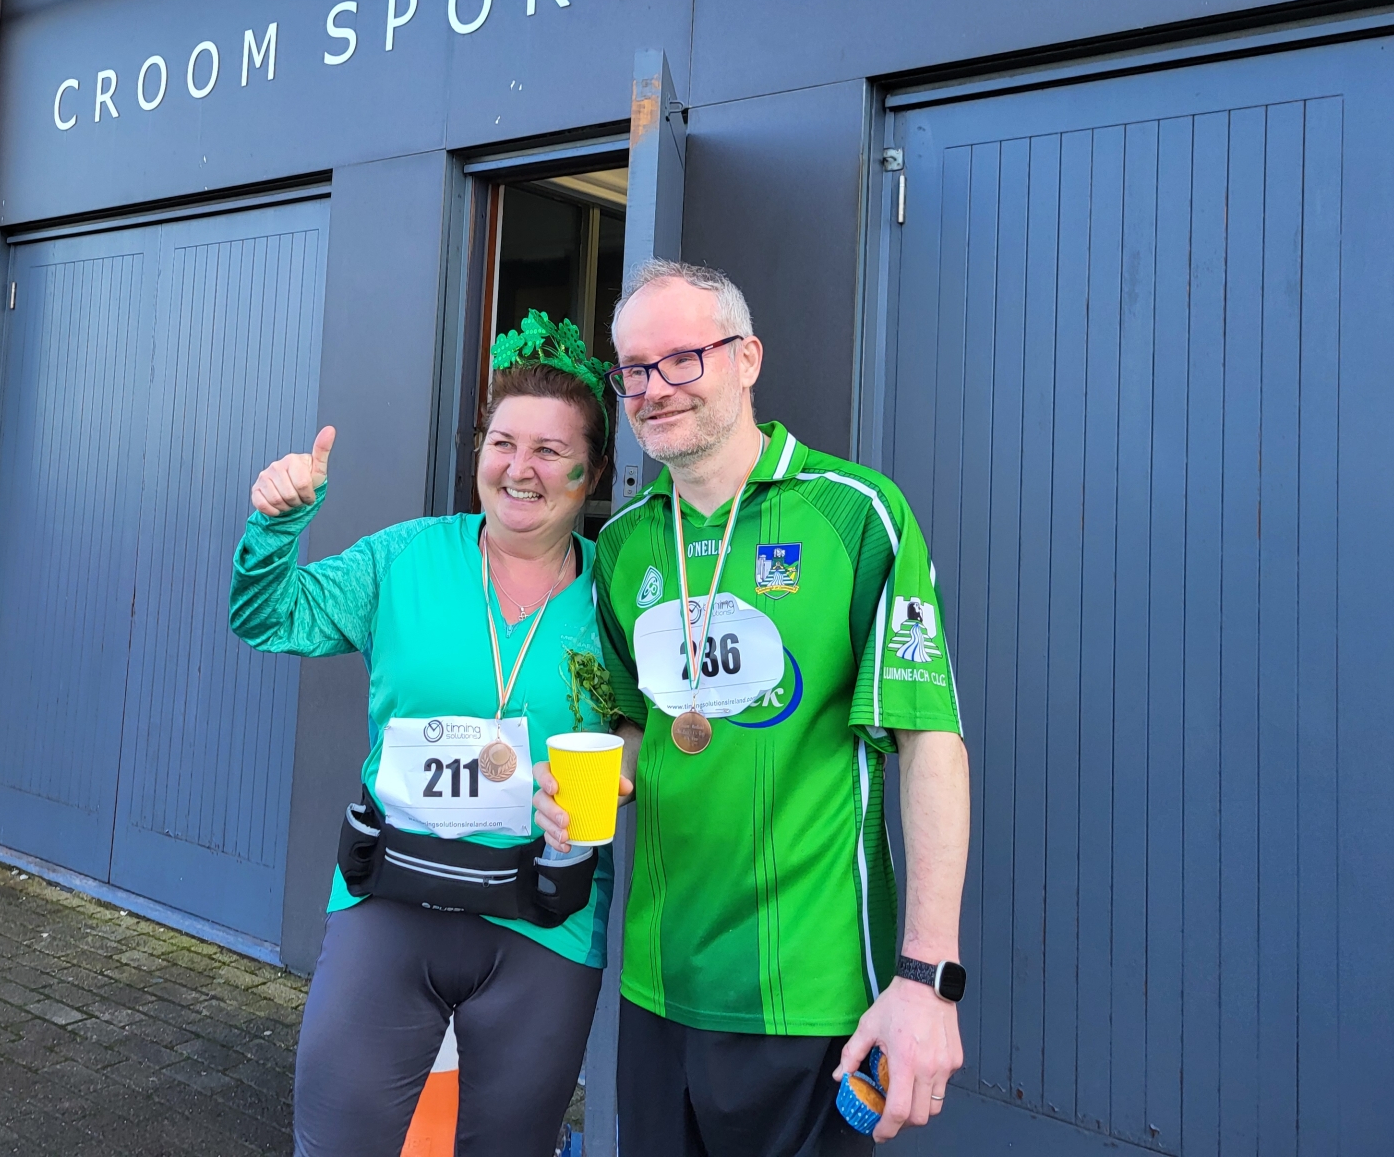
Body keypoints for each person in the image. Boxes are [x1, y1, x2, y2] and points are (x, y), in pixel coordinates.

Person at [533, 259, 970, 1155]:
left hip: (811, 991)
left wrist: (926, 977)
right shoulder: (623, 543)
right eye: (634, 369)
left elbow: (930, 741)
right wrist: (596, 786)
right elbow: (637, 724)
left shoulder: (856, 514)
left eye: (683, 358)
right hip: (658, 984)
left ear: (747, 358)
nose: (655, 388)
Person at [230, 311, 641, 1157]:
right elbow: (270, 616)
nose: (519, 469)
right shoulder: (404, 559)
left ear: (593, 471)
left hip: (547, 920)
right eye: (503, 443)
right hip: (389, 898)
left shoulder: (620, 589)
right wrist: (276, 524)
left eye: (550, 450)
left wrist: (620, 776)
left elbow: (649, 724)